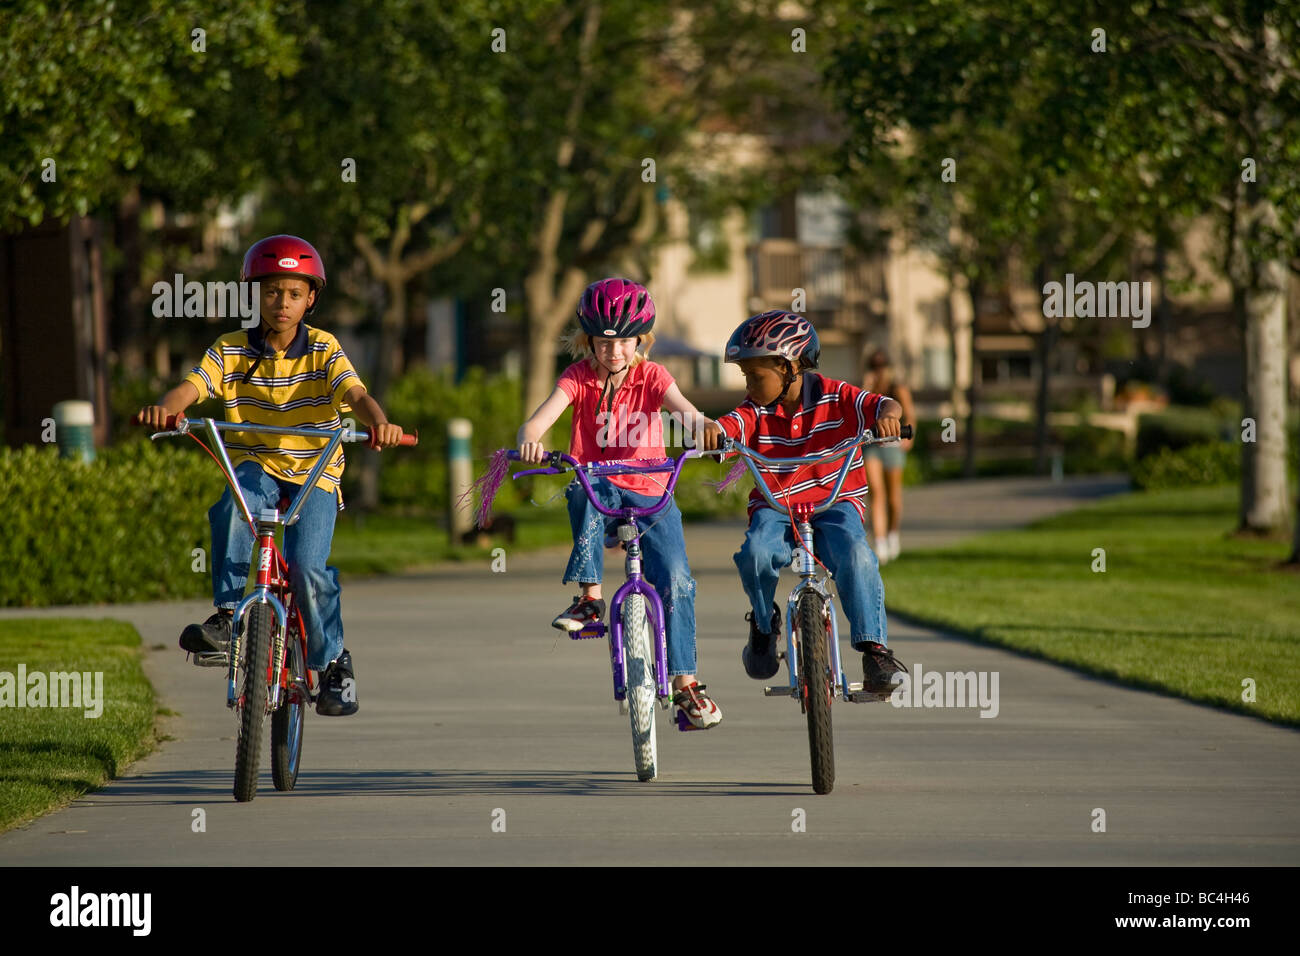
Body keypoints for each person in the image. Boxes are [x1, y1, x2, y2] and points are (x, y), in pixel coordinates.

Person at [134, 235, 406, 716]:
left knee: (306, 567)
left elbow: (356, 395)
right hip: (256, 466)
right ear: (255, 294)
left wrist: (378, 422)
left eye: (294, 293)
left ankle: (334, 662)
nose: (283, 303)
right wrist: (166, 409)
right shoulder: (232, 349)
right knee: (232, 509)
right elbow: (192, 388)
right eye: (272, 291)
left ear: (311, 299)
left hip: (314, 472)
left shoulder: (324, 349)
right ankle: (225, 616)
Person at [515, 277, 722, 729]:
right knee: (579, 488)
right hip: (601, 488)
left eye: (625, 341)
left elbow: (686, 411)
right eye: (604, 343)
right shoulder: (578, 378)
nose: (615, 352)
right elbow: (539, 420)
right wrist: (530, 440)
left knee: (678, 580)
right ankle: (590, 598)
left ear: (640, 340)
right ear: (589, 340)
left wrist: (706, 428)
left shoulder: (653, 376)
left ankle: (687, 684)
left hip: (653, 492)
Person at [699, 311, 907, 695]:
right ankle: (764, 624)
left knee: (857, 555)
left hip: (834, 502)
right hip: (777, 507)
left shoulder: (835, 395)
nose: (748, 384)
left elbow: (884, 405)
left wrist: (889, 419)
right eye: (745, 376)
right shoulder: (754, 408)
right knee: (756, 553)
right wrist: (713, 432)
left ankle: (874, 650)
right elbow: (731, 425)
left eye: (754, 375)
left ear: (788, 365)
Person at [861, 348, 915, 563]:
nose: (878, 371)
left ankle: (893, 534)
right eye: (874, 367)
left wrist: (910, 439)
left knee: (893, 495)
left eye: (881, 367)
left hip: (893, 444)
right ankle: (880, 540)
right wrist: (867, 386)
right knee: (876, 492)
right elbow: (859, 411)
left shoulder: (897, 388)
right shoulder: (868, 389)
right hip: (872, 444)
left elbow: (909, 413)